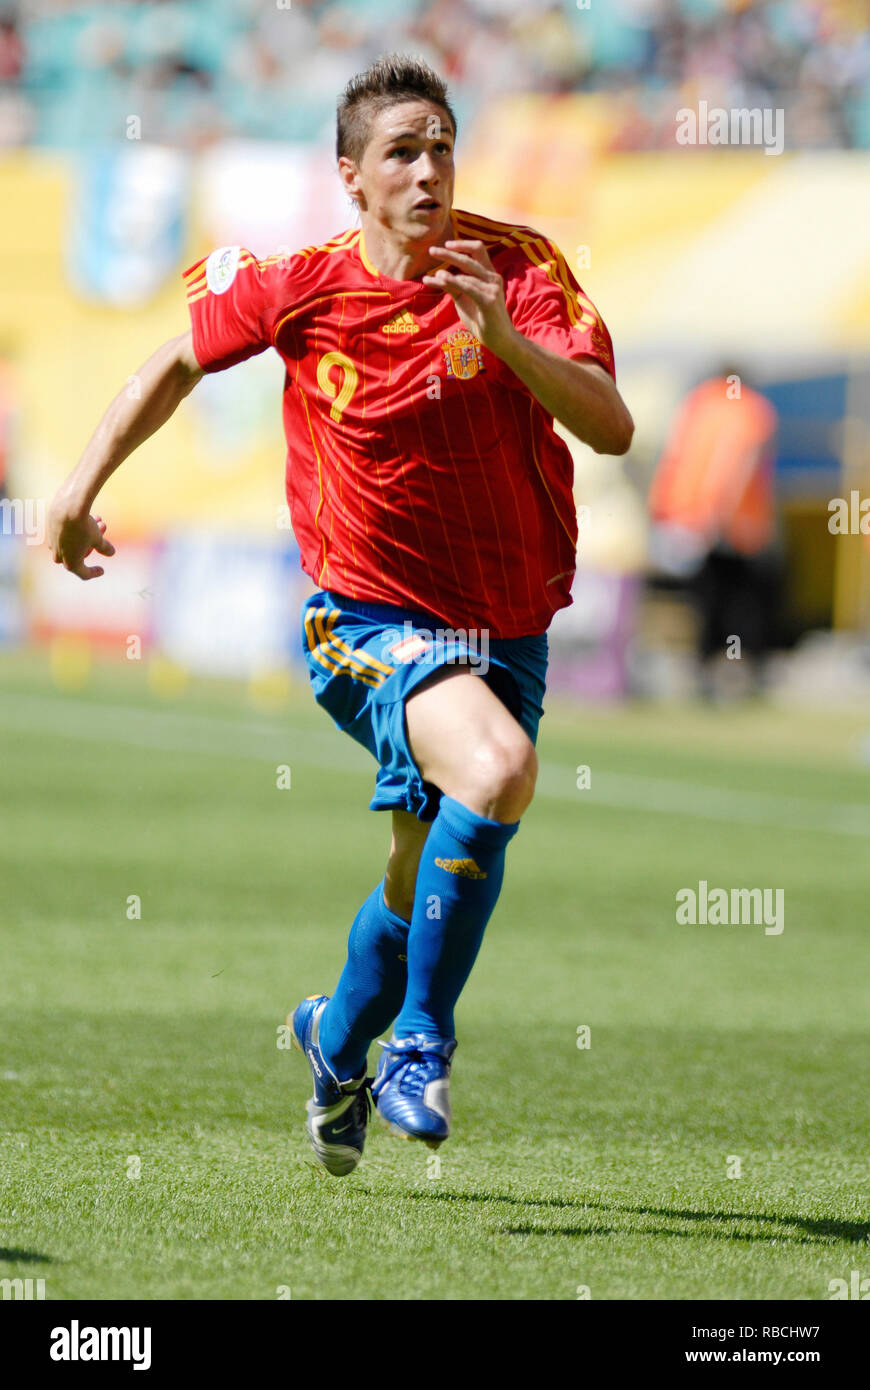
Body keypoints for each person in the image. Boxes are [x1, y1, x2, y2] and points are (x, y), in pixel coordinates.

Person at [48, 54, 634, 1176]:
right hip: (360, 622)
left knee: (423, 874)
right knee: (500, 769)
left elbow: (610, 427)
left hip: (508, 622)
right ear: (351, 178)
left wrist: (505, 340)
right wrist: (79, 489)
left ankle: (335, 1037)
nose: (430, 170)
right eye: (403, 152)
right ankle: (420, 1041)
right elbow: (176, 360)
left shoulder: (519, 271)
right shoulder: (301, 282)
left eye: (443, 146)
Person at [648, 365, 779, 696]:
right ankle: (732, 674)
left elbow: (674, 454)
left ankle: (705, 670)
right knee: (738, 603)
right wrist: (721, 511)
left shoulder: (699, 403)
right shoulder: (748, 407)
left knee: (704, 599)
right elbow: (738, 463)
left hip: (686, 518)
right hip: (731, 525)